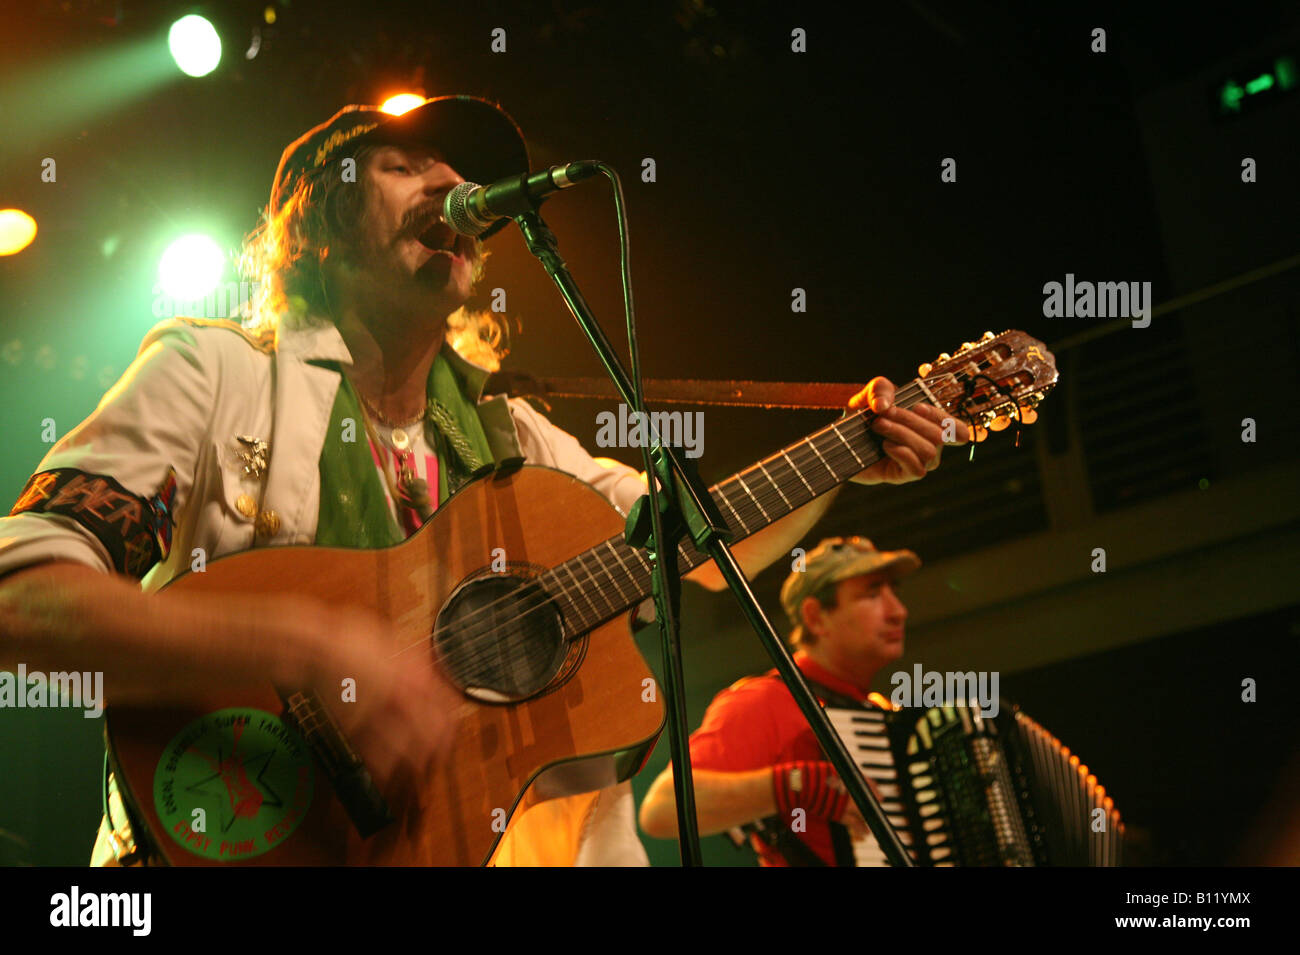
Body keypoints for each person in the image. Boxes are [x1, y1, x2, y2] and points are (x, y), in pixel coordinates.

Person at [0, 97, 960, 866]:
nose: (452, 182)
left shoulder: (513, 437)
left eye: (460, 173)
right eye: (403, 163)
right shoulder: (213, 374)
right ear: (317, 221)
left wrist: (852, 454)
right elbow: (22, 597)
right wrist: (303, 643)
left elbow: (698, 551)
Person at [638, 535, 920, 866]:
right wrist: (797, 785)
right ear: (815, 617)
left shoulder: (880, 711)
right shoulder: (766, 701)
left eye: (894, 593)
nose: (898, 612)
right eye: (872, 595)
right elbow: (662, 808)